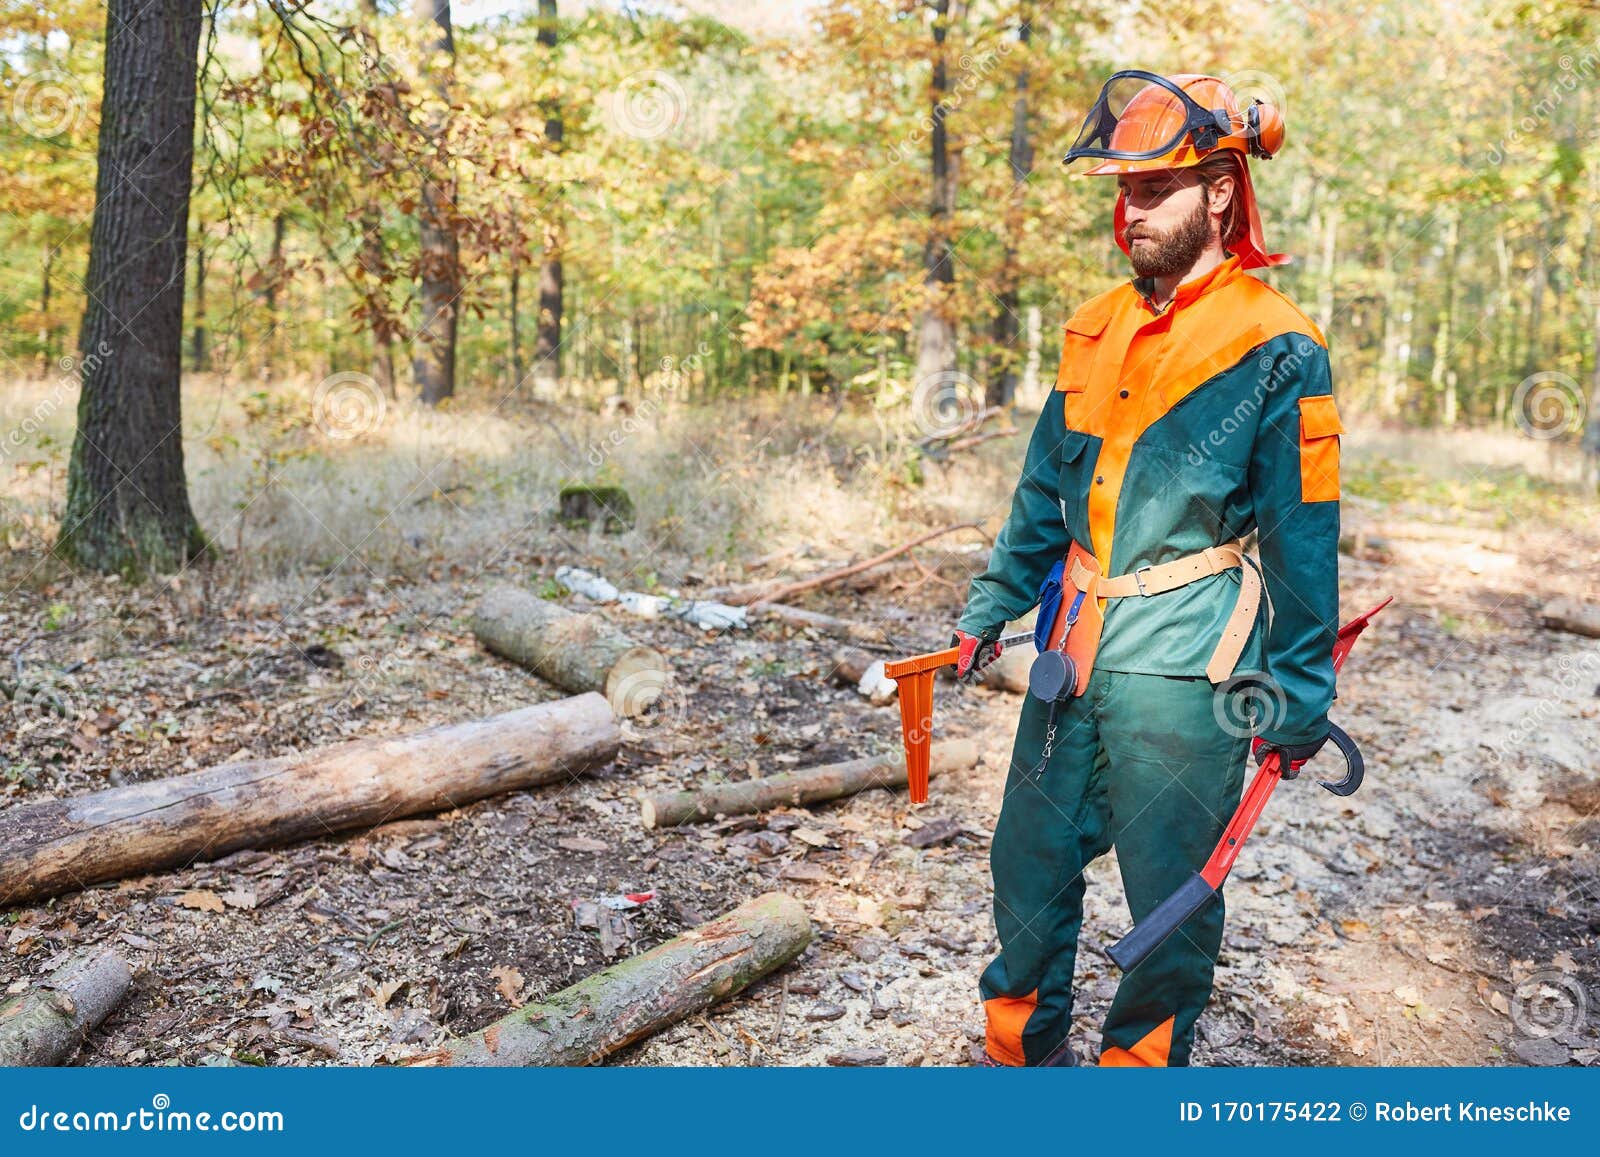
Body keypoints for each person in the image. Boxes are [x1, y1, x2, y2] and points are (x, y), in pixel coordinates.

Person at [952, 71, 1342, 1067]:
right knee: (1025, 859)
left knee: (1169, 884)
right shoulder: (1092, 324)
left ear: (1218, 191)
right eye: (1122, 191)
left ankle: (1137, 1076)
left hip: (1185, 657)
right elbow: (1045, 489)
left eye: (1152, 190)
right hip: (1070, 642)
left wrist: (1298, 687)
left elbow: (1304, 532)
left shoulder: (1277, 343)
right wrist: (992, 602)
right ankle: (1014, 1059)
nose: (1129, 211)